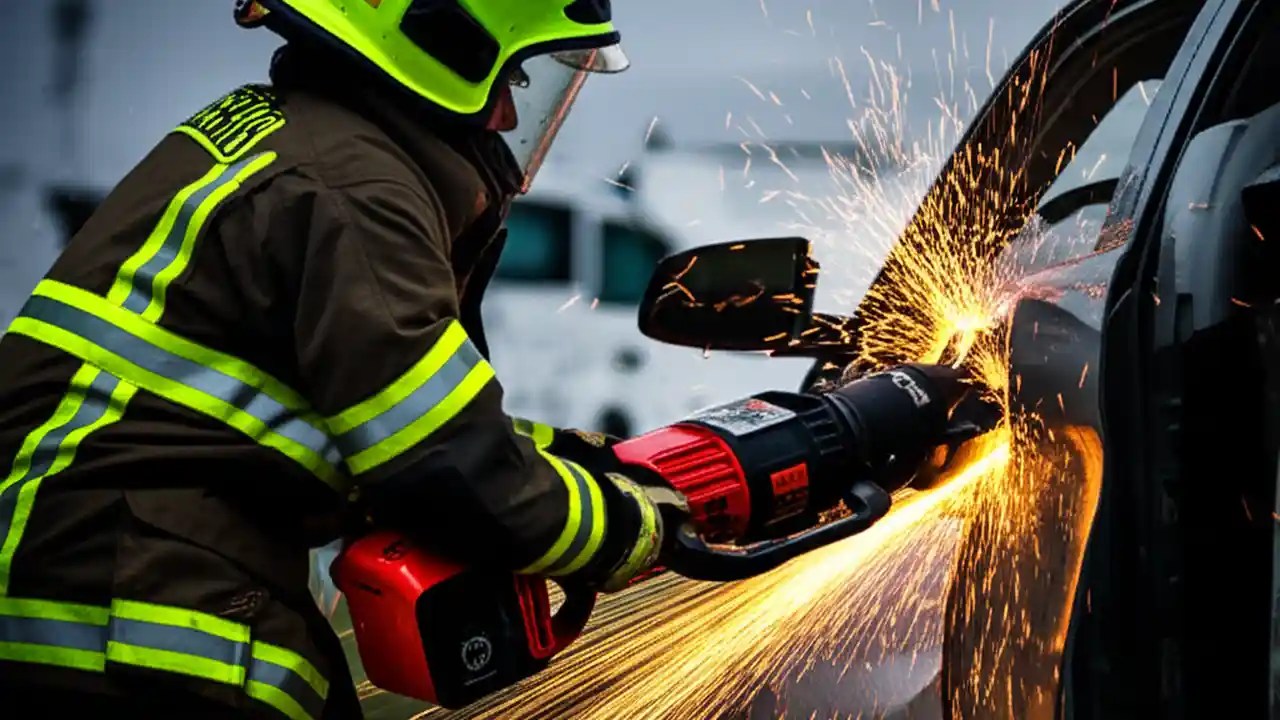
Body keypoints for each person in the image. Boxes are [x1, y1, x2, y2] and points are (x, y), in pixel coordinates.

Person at [0, 1, 979, 717]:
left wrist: (586, 466)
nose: (512, 118)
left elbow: (415, 424)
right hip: (135, 606)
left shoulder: (294, 145)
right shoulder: (356, 191)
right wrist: (636, 529)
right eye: (512, 79)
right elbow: (443, 466)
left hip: (89, 562)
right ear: (433, 37)